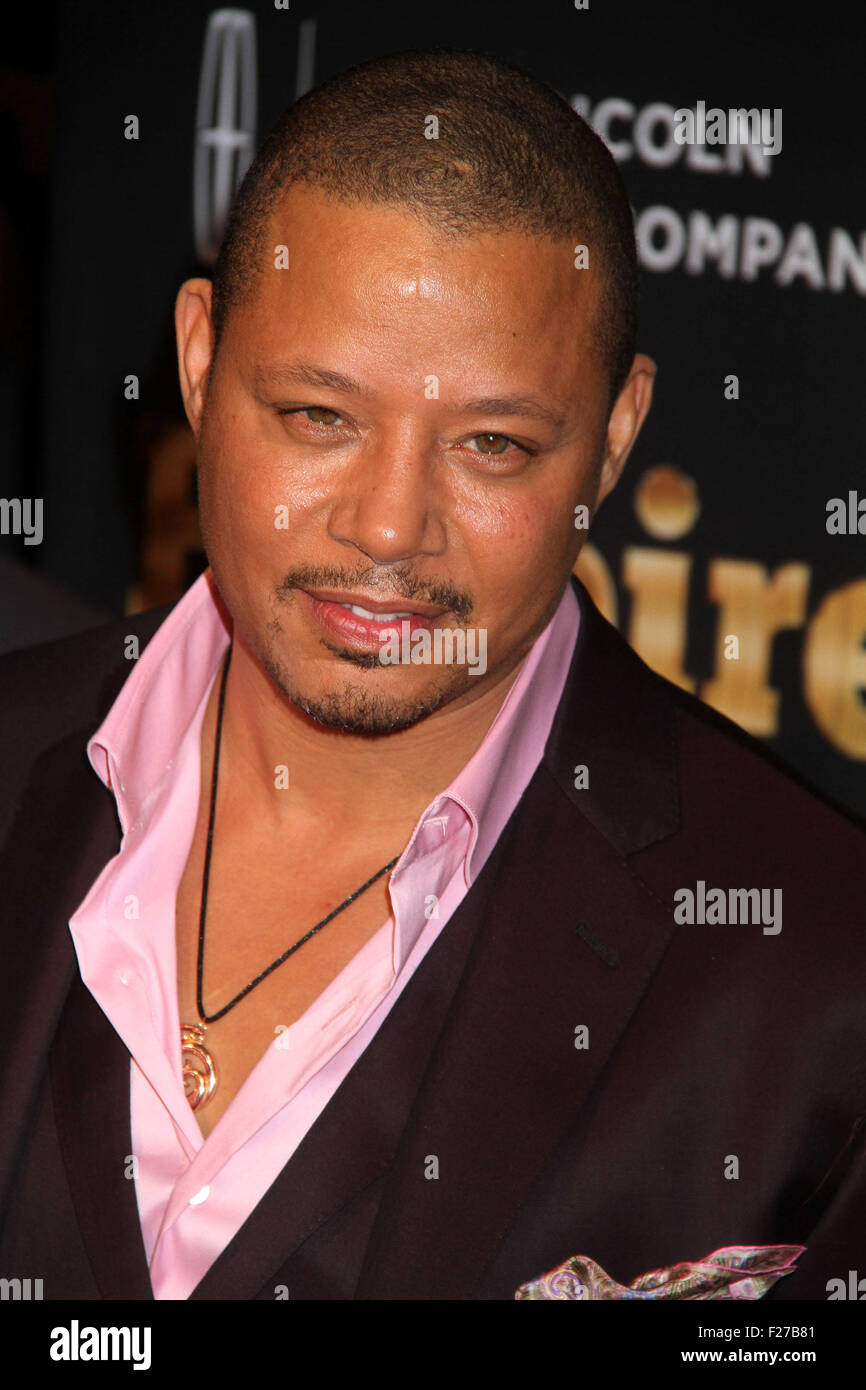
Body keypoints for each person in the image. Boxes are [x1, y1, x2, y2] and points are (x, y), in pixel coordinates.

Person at [1, 47, 864, 1303]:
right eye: (317, 417)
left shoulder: (818, 970)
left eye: (492, 445)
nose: (390, 526)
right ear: (197, 360)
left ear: (613, 436)